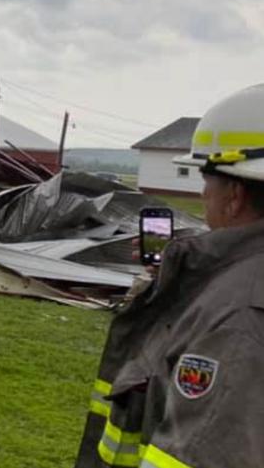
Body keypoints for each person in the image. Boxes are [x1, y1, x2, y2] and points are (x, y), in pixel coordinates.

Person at [74, 83, 264, 468]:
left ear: (234, 195)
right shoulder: (232, 285)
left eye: (204, 182)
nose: (202, 197)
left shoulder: (239, 317)